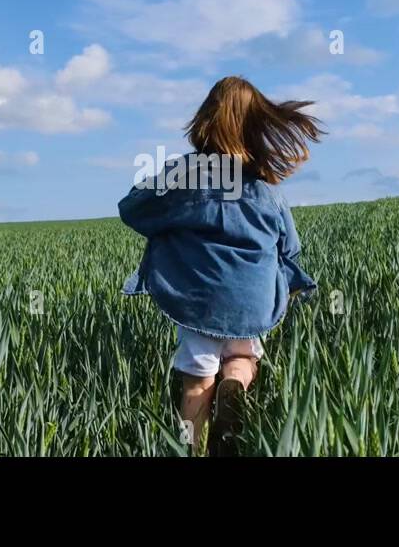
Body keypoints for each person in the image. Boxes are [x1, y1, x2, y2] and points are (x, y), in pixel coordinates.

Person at [119, 76, 323, 456]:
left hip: (199, 300)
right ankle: (235, 387)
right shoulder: (265, 187)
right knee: (242, 358)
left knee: (196, 384)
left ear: (205, 120)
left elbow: (133, 208)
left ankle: (189, 450)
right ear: (257, 126)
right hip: (252, 300)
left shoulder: (184, 174)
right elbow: (289, 248)